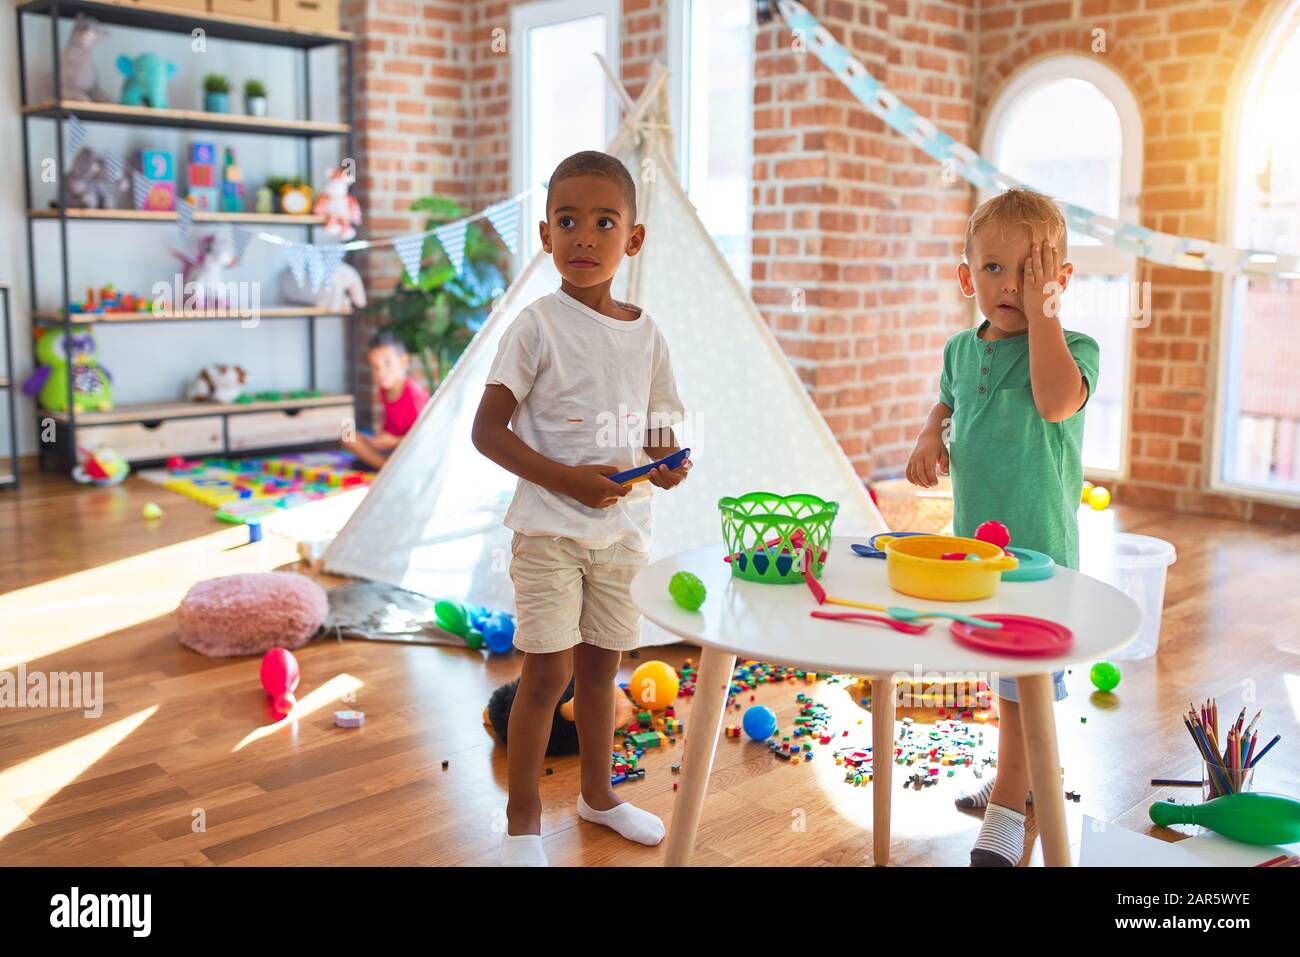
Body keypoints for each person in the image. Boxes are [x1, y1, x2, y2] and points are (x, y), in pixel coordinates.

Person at [471, 150, 691, 867]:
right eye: (568, 221)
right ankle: (523, 824)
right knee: (546, 675)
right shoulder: (536, 325)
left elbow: (659, 429)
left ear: (633, 239)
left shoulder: (647, 333)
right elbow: (486, 431)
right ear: (545, 235)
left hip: (623, 535)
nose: (585, 238)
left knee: (603, 671)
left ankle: (599, 794)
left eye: (604, 223)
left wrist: (668, 464)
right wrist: (568, 479)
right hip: (548, 535)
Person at [906, 187, 1100, 866]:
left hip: (1040, 556)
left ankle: (1011, 802)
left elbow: (1053, 401)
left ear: (1058, 283)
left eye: (1031, 272)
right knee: (1005, 680)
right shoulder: (963, 348)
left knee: (1027, 681)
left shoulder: (1074, 349)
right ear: (967, 277)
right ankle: (1024, 778)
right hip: (980, 555)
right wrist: (931, 433)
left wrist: (1046, 315)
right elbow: (948, 399)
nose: (1010, 284)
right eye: (994, 269)